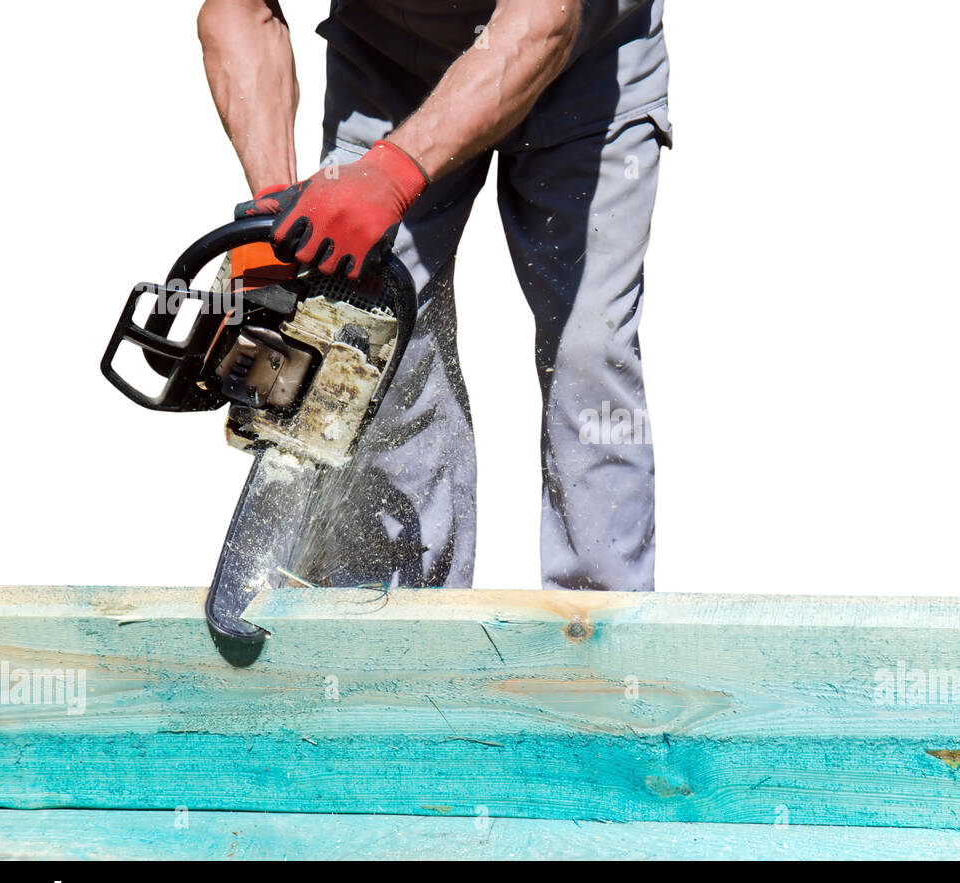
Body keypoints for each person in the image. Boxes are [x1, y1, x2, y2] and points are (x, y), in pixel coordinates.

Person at [197, 0, 670, 591]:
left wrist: (391, 177)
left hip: (585, 59)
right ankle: (393, 625)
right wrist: (278, 207)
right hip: (392, 64)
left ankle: (603, 631)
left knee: (589, 349)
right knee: (368, 343)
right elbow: (237, 10)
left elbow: (544, 20)